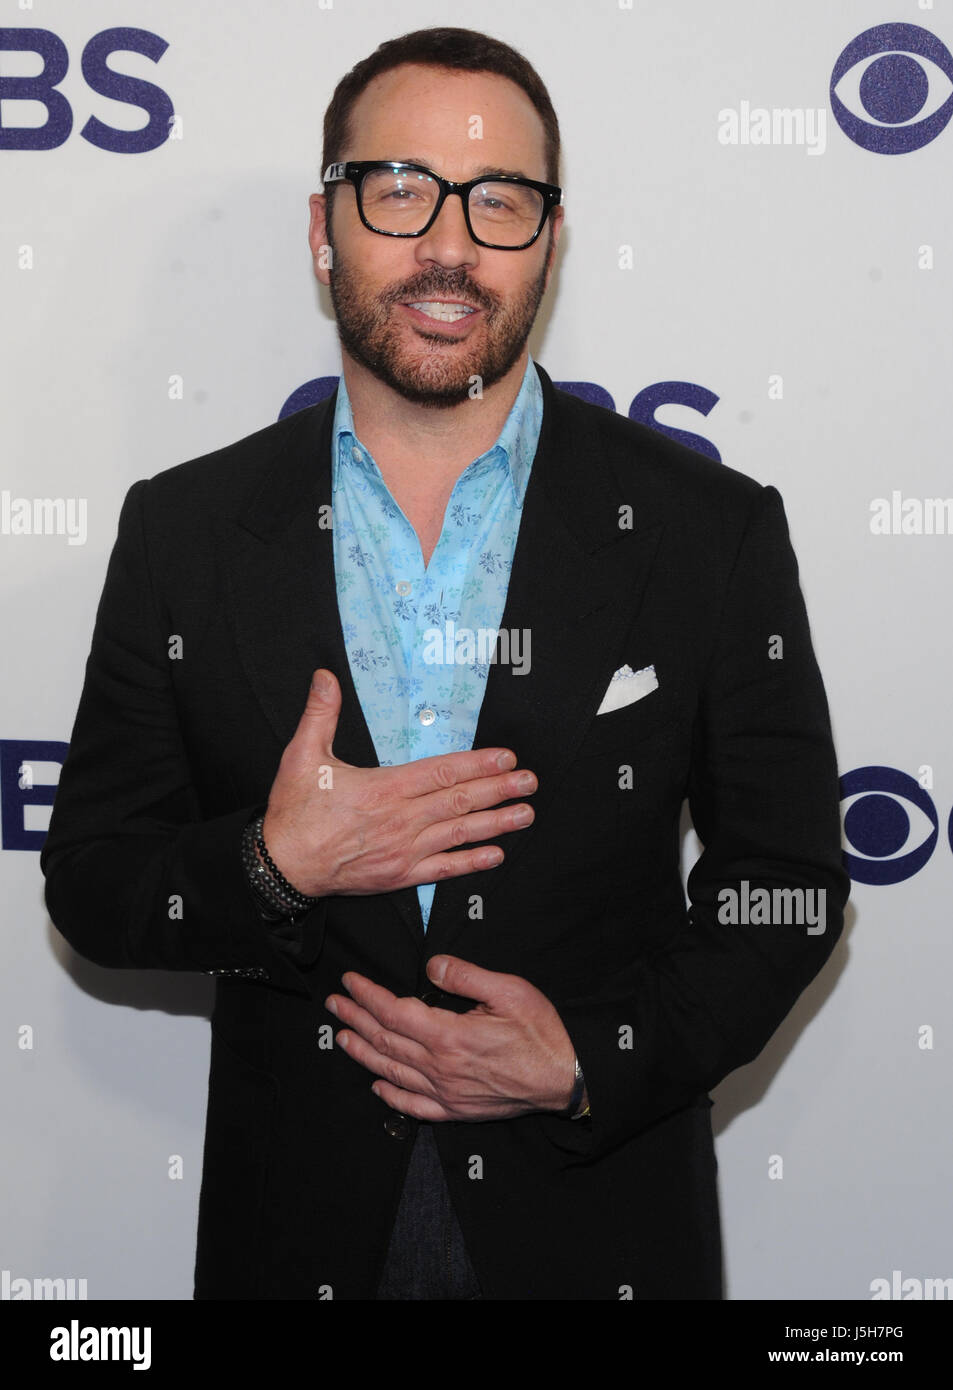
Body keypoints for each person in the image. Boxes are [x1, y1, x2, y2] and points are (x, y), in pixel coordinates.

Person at [41, 26, 849, 1301]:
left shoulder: (705, 529)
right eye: (400, 187)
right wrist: (273, 863)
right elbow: (92, 880)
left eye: (501, 200)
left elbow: (789, 883)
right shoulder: (183, 530)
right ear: (324, 229)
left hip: (600, 1227)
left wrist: (593, 1053)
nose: (450, 244)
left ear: (551, 239)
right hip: (294, 1233)